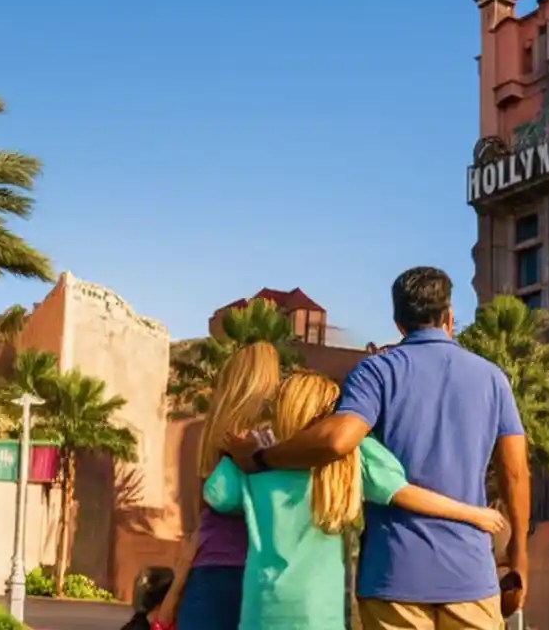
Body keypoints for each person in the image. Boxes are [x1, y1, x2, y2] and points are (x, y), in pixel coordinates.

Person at [226, 266, 531, 630]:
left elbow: (338, 440)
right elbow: (515, 473)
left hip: (393, 575)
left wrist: (263, 458)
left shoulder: (377, 371)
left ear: (398, 323)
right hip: (469, 576)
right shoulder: (492, 378)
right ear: (449, 317)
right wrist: (519, 557)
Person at [205, 371, 508, 629]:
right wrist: (472, 514)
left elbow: (217, 496)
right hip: (320, 611)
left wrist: (239, 453)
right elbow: (403, 492)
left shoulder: (259, 462)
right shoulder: (352, 454)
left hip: (261, 608)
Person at [154, 341, 281, 630]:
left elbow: (202, 515)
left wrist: (175, 592)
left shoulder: (212, 434)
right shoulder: (274, 437)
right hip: (259, 571)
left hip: (208, 569)